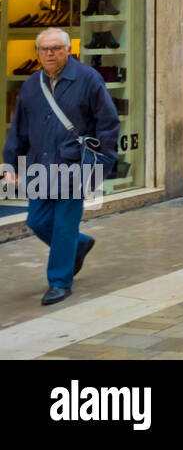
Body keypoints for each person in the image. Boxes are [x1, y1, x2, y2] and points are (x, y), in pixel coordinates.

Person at [2, 28, 118, 306]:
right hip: (40, 163)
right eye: (44, 49)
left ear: (68, 50)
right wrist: (10, 161)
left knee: (64, 225)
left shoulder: (88, 79)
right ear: (38, 53)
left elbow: (108, 122)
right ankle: (79, 245)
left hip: (74, 164)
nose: (50, 54)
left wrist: (101, 160)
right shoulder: (31, 83)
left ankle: (59, 281)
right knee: (37, 220)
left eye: (55, 48)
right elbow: (19, 126)